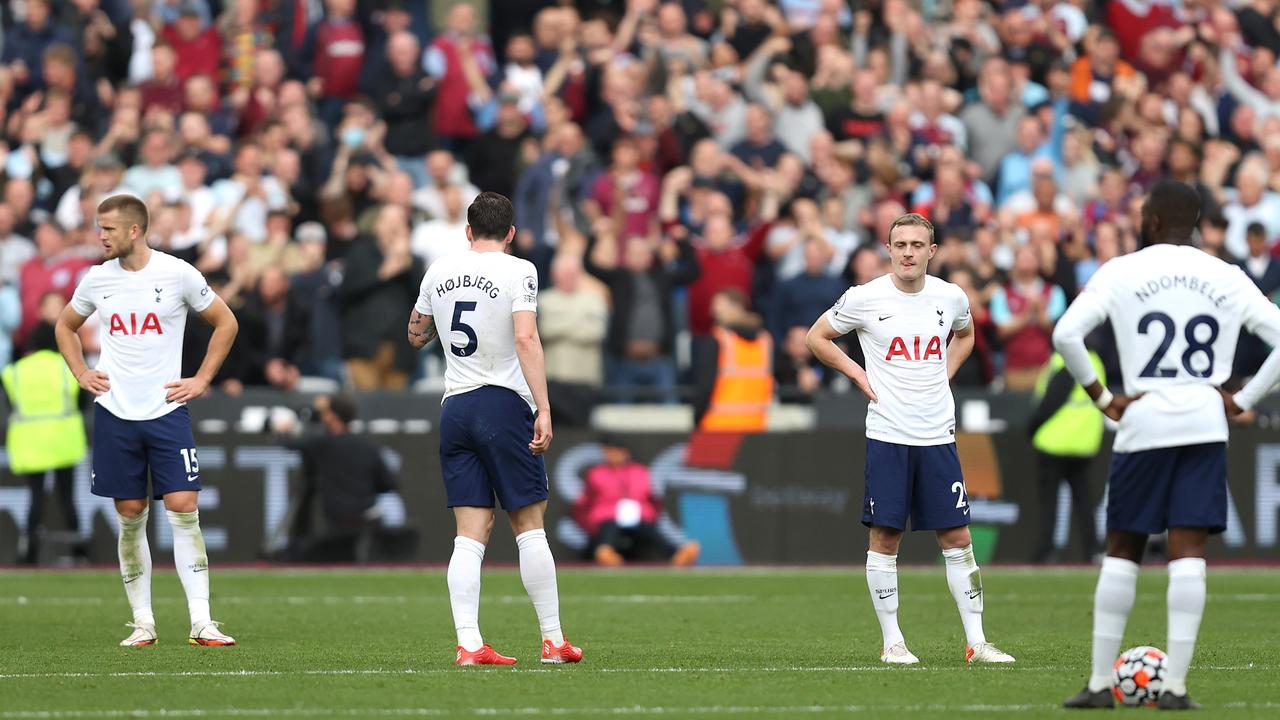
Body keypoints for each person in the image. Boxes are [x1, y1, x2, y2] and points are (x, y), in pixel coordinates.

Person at [1055, 180, 1280, 710]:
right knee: (1189, 553)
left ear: (1151, 221)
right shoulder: (1225, 275)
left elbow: (1066, 334)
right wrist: (1243, 397)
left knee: (1124, 550)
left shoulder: (1121, 271)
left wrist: (1102, 396)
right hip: (1205, 420)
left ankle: (1096, 685)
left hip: (1145, 419)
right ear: (1195, 222)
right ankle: (1176, 688)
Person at [805, 213, 1015, 665]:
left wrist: (945, 374)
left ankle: (977, 643)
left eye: (917, 245)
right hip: (888, 434)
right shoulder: (865, 298)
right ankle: (892, 642)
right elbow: (817, 337)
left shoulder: (951, 296)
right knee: (885, 537)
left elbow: (966, 335)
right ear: (889, 248)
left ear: (931, 251)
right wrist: (857, 373)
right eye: (900, 244)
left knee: (958, 537)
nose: (907, 253)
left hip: (938, 435)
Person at [54, 195, 240, 648]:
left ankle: (202, 622)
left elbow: (226, 322)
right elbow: (65, 326)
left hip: (166, 410)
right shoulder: (97, 279)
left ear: (134, 231)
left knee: (183, 505)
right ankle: (143, 623)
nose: (101, 236)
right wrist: (81, 372)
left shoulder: (176, 273)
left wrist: (202, 378)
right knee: (131, 513)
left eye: (108, 229)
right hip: (116, 412)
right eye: (100, 228)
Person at [406, 192, 582, 666]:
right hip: (502, 404)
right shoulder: (519, 269)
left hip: (455, 406)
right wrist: (543, 408)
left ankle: (468, 644)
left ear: (468, 231)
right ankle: (553, 640)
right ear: (510, 233)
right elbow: (525, 337)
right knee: (528, 524)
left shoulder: (439, 270)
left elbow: (416, 333)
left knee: (469, 532)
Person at [3, 317, 89, 565]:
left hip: (30, 442)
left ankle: (29, 552)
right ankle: (80, 552)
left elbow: (10, 405)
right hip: (64, 440)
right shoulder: (67, 367)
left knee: (35, 497)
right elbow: (81, 404)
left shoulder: (14, 371)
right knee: (68, 497)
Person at [280, 395, 400, 562]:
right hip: (368, 519)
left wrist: (283, 428)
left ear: (332, 416)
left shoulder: (323, 444)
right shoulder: (369, 447)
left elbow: (288, 443)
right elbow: (389, 484)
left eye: (325, 412)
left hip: (338, 523)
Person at [1026, 348, 1105, 563]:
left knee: (1049, 502)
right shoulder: (1096, 360)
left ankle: (1046, 551)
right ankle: (1093, 550)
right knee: (1084, 501)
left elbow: (1054, 397)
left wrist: (1032, 426)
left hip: (1055, 440)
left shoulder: (1067, 356)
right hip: (1084, 442)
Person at [572, 434, 700, 567]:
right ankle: (605, 552)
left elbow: (653, 500)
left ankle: (677, 554)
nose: (613, 455)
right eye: (609, 451)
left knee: (648, 530)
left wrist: (649, 515)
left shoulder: (640, 472)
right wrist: (589, 524)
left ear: (625, 452)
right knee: (609, 526)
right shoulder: (596, 473)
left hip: (639, 518)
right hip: (607, 517)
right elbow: (584, 503)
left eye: (617, 451)